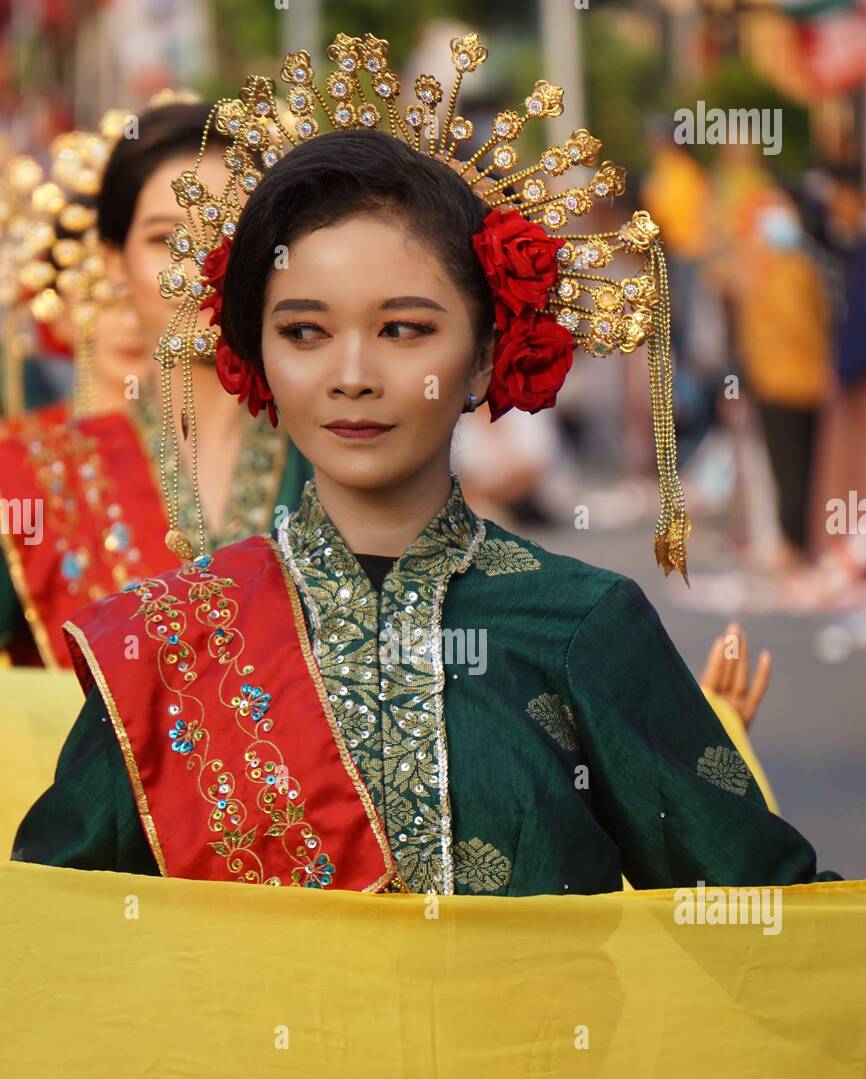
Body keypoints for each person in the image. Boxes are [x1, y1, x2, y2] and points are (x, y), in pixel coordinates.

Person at [12, 32, 840, 894]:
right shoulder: (163, 644)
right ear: (256, 355)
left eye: (405, 329)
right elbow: (52, 947)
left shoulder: (585, 627)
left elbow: (774, 932)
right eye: (304, 332)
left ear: (485, 355)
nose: (354, 375)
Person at [0, 100, 312, 667]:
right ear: (114, 264)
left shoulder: (339, 449)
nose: (199, 266)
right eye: (167, 240)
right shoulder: (29, 475)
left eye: (227, 233)